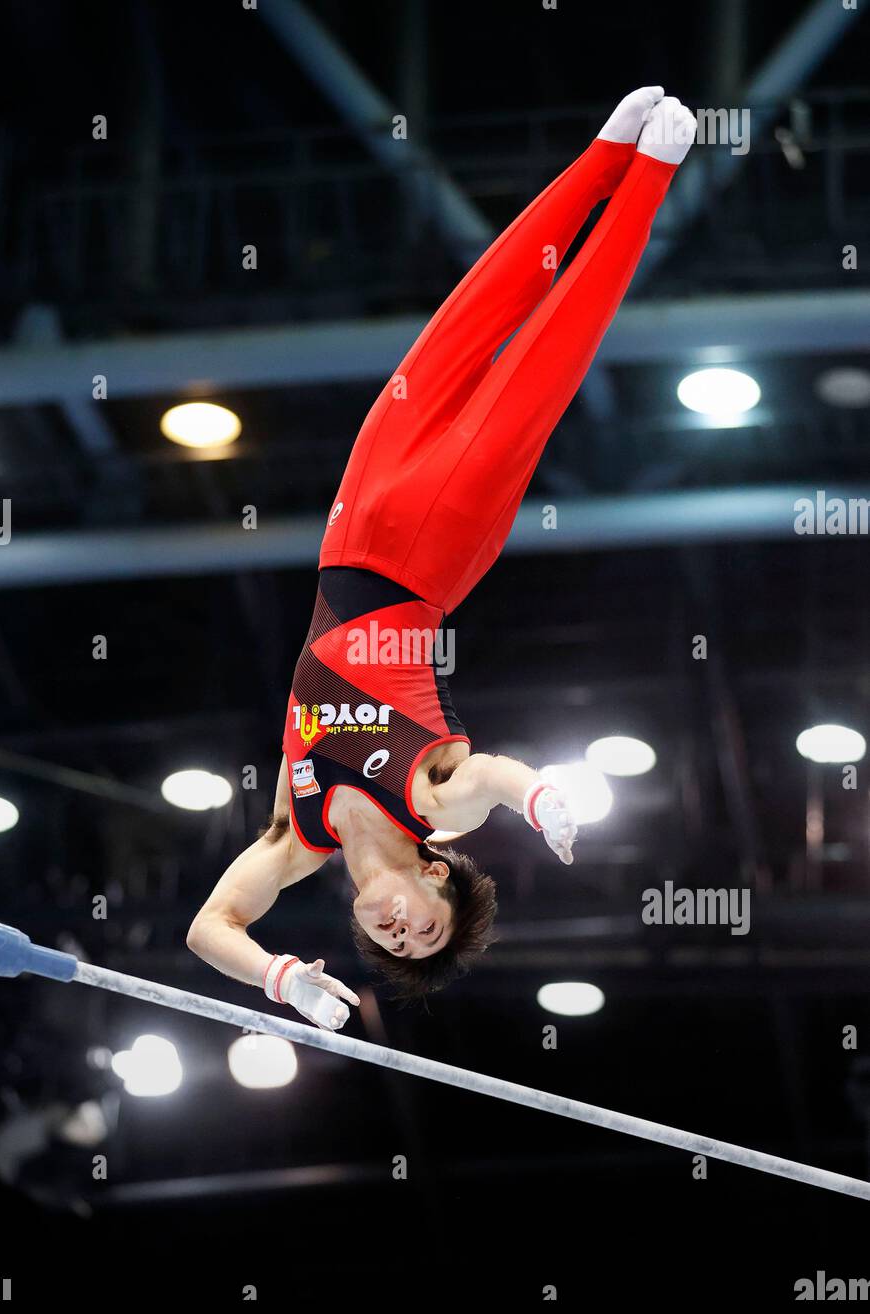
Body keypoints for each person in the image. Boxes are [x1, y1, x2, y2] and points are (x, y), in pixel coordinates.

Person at [188, 90, 697, 1029]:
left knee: (463, 322)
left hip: (347, 540)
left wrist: (277, 978)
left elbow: (208, 926)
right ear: (437, 878)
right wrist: (543, 800)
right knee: (542, 359)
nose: (397, 933)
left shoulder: (294, 837)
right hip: (427, 555)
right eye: (423, 931)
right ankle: (652, 171)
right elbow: (497, 777)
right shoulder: (438, 814)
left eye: (392, 947)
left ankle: (603, 153)